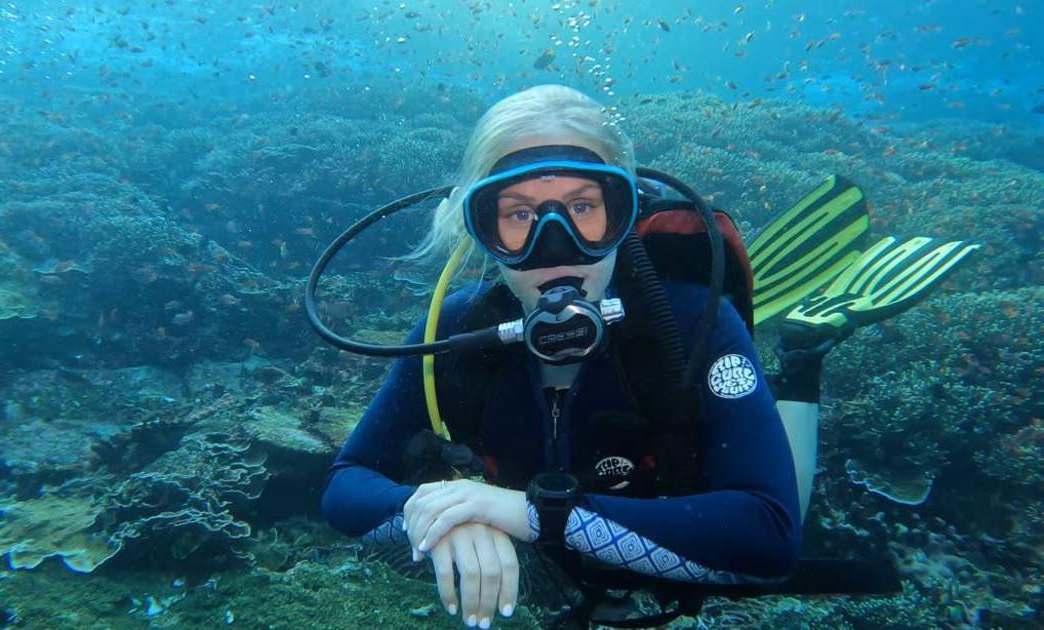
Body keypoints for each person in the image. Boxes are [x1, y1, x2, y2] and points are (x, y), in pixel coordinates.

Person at [315, 84, 975, 629]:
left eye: (583, 207)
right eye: (518, 215)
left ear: (623, 212)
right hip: (588, 553)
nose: (556, 244)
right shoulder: (456, 330)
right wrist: (440, 516)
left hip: (681, 527)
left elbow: (770, 539)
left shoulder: (688, 320)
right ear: (482, 228)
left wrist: (520, 512)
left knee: (795, 502)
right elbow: (347, 483)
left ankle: (802, 353)